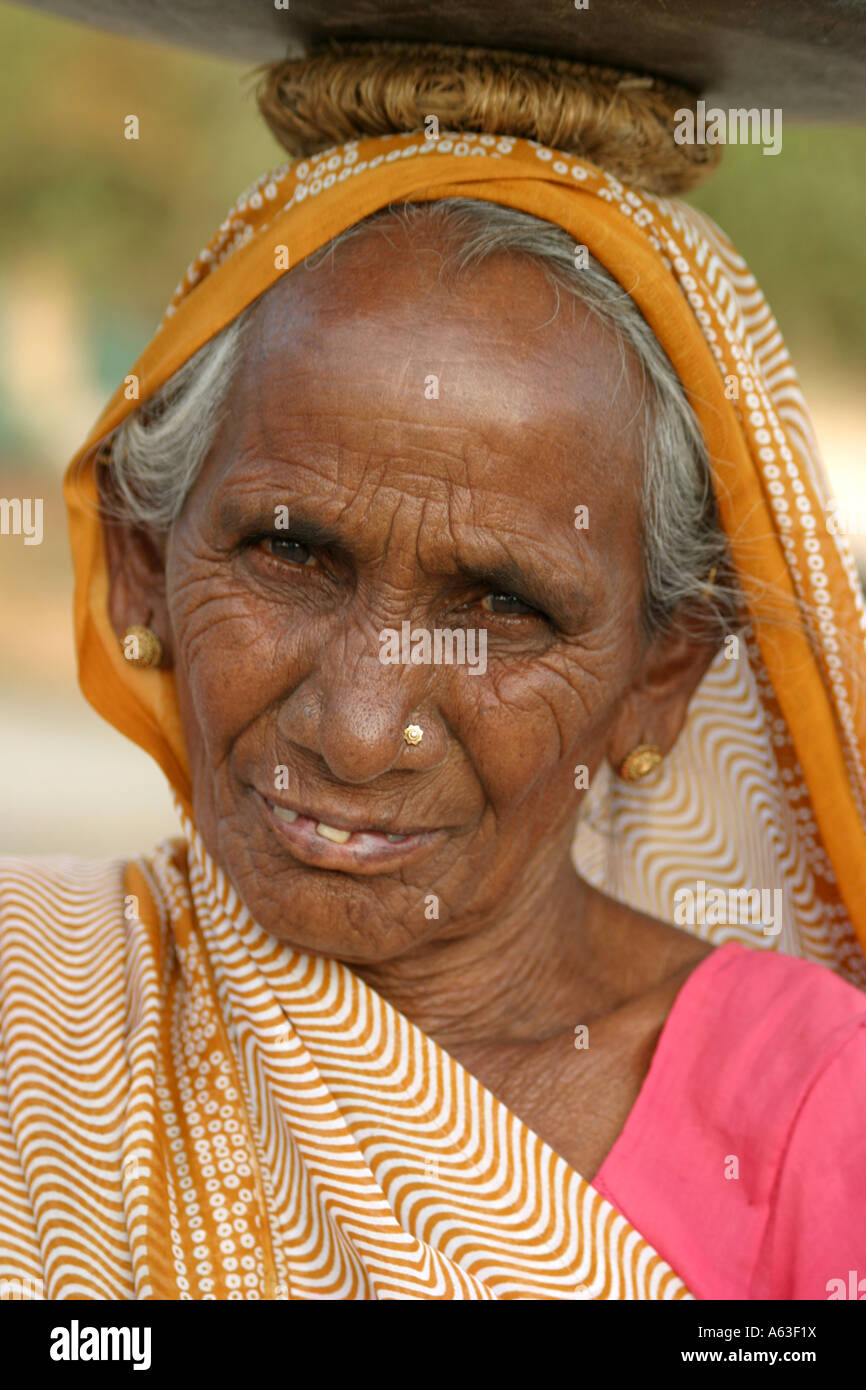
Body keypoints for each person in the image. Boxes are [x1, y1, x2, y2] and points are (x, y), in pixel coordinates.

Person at [2, 44, 865, 1301]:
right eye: (289, 554)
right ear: (142, 566)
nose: (357, 730)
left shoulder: (811, 1126)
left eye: (503, 608)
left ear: (661, 671)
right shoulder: (35, 1003)